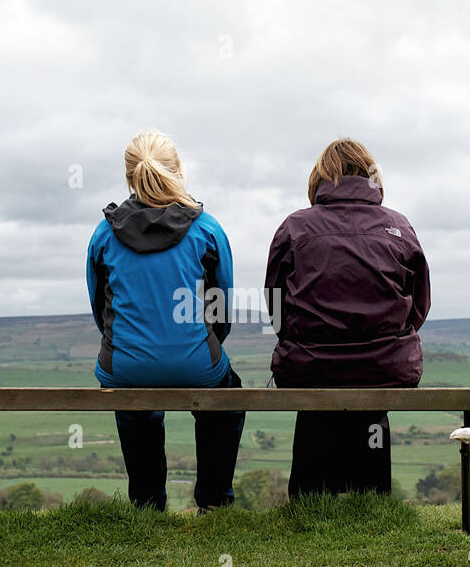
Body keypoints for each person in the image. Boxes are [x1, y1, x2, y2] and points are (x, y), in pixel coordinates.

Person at [86, 130, 245, 513]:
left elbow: (99, 306)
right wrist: (205, 346)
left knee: (133, 404)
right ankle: (213, 501)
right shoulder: (207, 229)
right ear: (178, 171)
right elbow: (220, 305)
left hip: (124, 366)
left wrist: (128, 348)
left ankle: (147, 505)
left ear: (129, 177)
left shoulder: (105, 234)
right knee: (227, 397)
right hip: (197, 364)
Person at [265, 138, 430, 497]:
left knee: (316, 415)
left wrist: (305, 339)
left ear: (319, 179)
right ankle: (370, 501)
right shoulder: (399, 226)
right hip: (384, 368)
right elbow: (419, 307)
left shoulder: (295, 227)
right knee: (370, 418)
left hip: (309, 367)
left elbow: (275, 306)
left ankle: (309, 501)